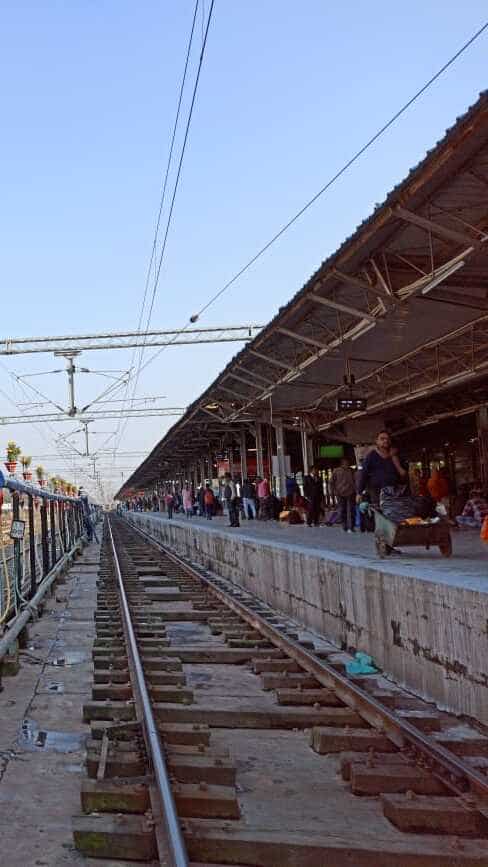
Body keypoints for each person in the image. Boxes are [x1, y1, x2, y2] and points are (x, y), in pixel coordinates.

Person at [356, 431, 407, 507]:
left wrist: (394, 458)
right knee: (380, 515)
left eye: (387, 439)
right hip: (377, 494)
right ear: (377, 441)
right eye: (382, 439)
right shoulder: (371, 456)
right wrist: (359, 493)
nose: (385, 441)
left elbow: (403, 473)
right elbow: (363, 474)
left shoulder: (395, 456)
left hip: (395, 492)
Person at [331, 458, 356, 532]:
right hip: (340, 493)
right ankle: (344, 525)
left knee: (351, 510)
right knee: (342, 510)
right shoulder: (336, 471)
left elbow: (356, 480)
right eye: (345, 462)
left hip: (351, 492)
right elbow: (331, 482)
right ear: (342, 463)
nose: (347, 464)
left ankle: (351, 526)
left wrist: (356, 490)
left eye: (348, 462)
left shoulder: (352, 470)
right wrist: (334, 491)